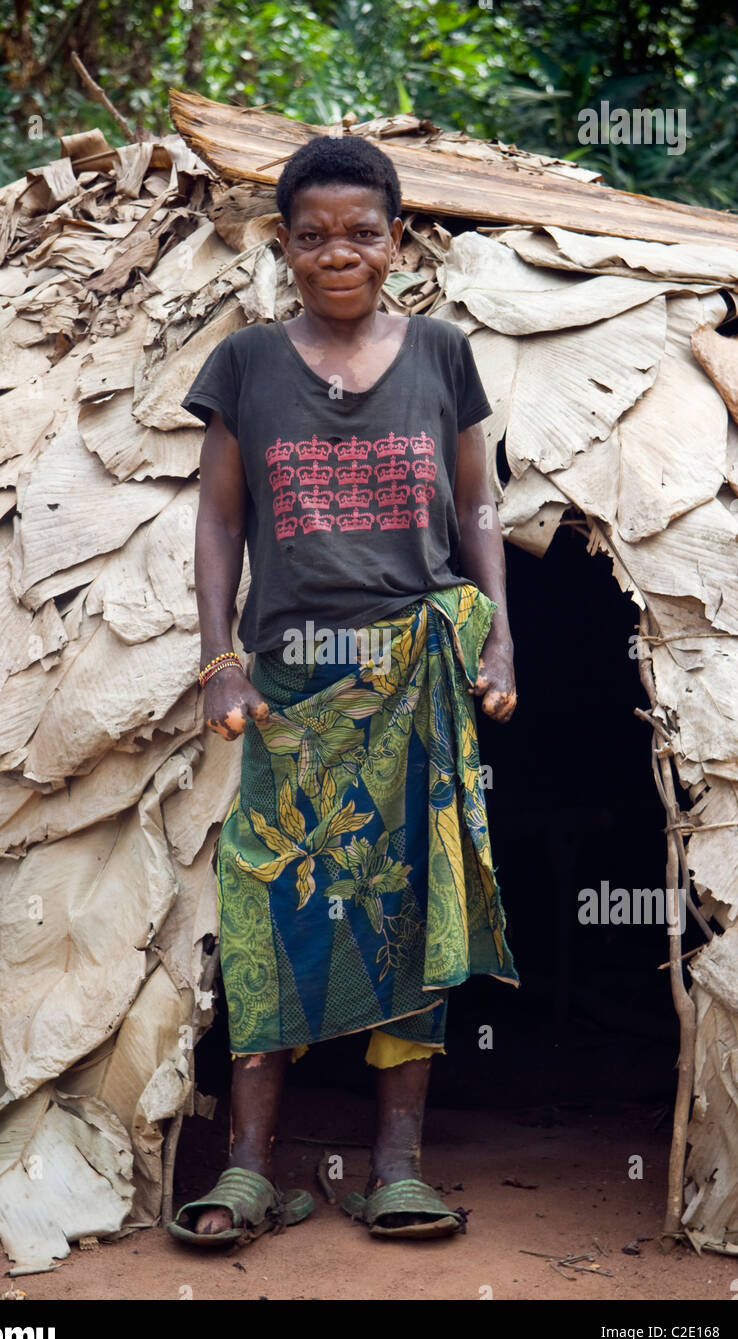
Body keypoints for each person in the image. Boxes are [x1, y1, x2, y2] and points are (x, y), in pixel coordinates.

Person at [167, 134, 518, 1247]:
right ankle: (246, 1171)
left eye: (361, 232)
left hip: (415, 673)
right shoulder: (247, 365)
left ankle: (399, 1167)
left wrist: (497, 640)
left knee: (414, 914)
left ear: (397, 240)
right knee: (271, 910)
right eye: (310, 234)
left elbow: (476, 510)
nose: (337, 253)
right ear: (281, 243)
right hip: (289, 687)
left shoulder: (442, 355)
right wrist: (220, 655)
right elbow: (221, 517)